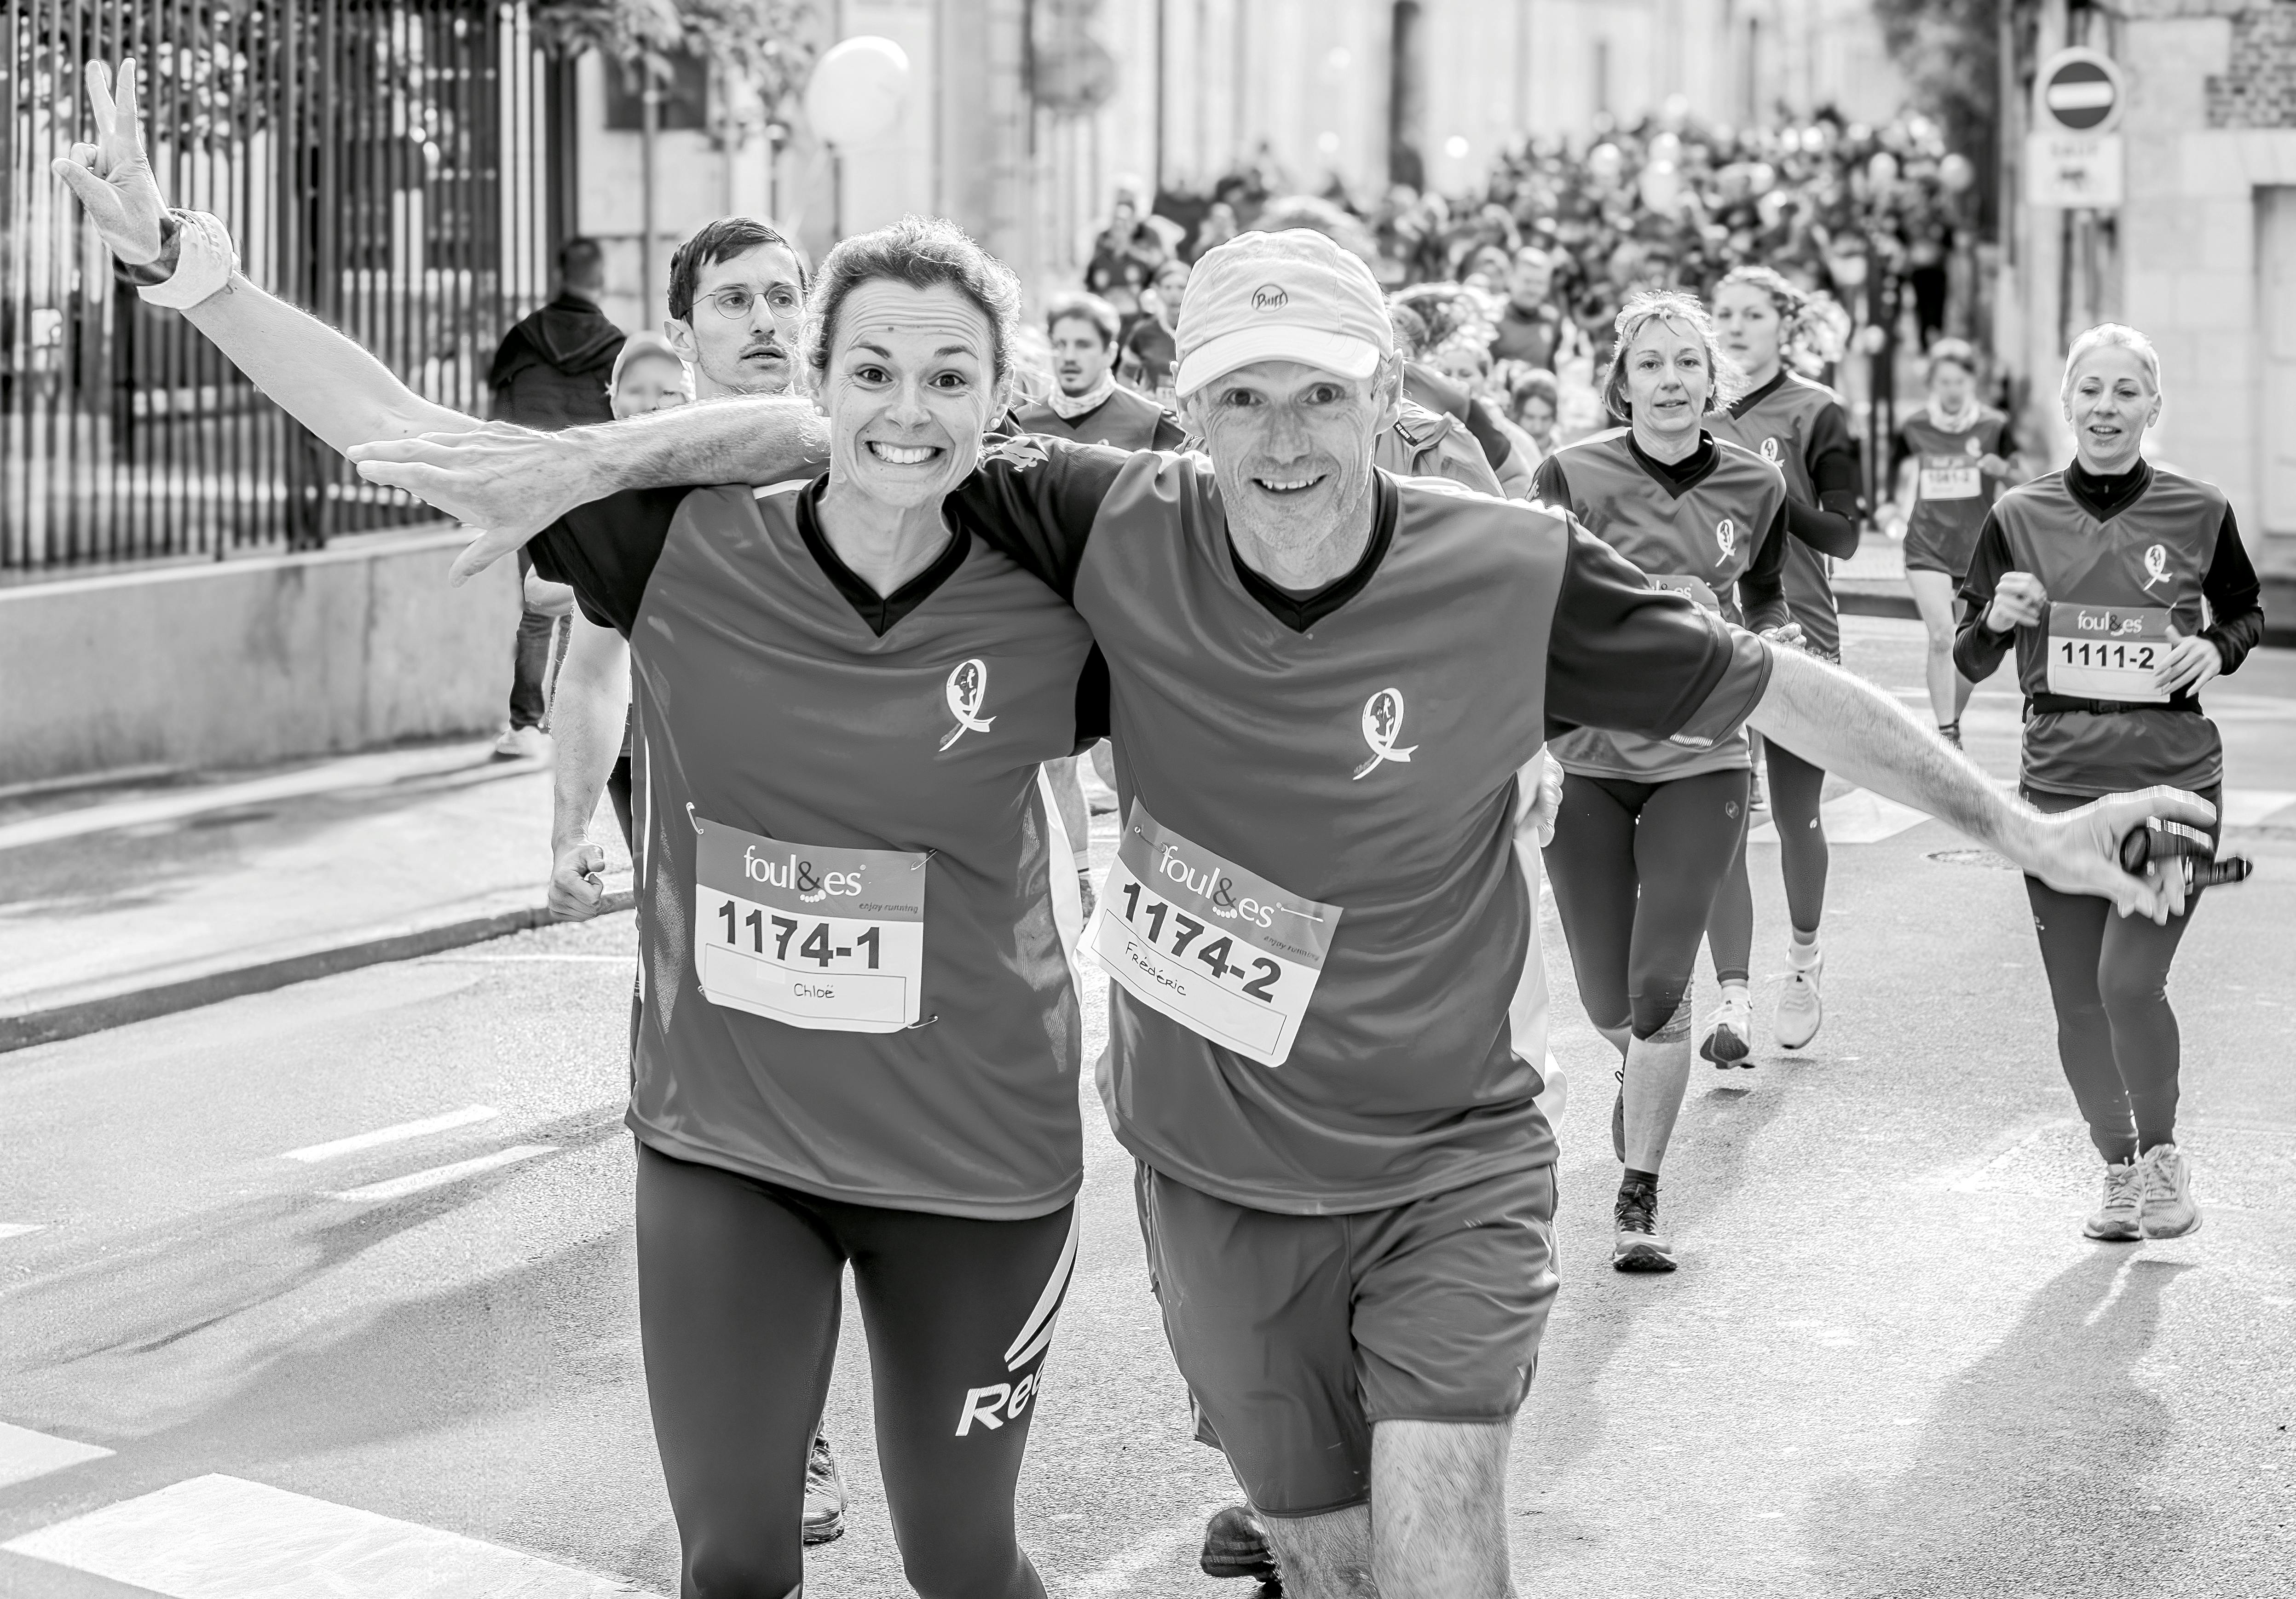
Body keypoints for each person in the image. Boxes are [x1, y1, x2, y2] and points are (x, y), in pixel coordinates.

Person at [363, 224, 2206, 1599]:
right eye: (1238, 397)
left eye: (1318, 394)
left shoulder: (1501, 568)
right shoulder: (1105, 518)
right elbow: (839, 417)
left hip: (1440, 1158)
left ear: (1382, 405)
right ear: (1184, 414)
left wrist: (2016, 835)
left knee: (1436, 1548)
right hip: (1211, 1168)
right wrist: (579, 462)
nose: (1280, 437)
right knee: (1320, 1558)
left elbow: (1778, 691)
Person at [49, 65, 882, 1570]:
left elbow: (818, 435)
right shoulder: (637, 522)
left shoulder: (896, 480)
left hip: (929, 1014)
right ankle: (786, 1429)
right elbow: (388, 424)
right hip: (728, 1012)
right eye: (737, 301)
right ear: (675, 343)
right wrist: (197, 275)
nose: (767, 318)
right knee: (752, 1425)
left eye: (788, 295)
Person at [1955, 324, 2263, 1242]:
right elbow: (1970, 651)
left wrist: (2211, 645)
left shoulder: (2198, 509)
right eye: (2090, 389)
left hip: (2173, 782)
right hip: (2058, 792)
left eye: (2125, 391)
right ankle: (2119, 1172)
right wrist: (1995, 620)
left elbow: (2246, 614)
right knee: (2076, 1000)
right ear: (2066, 400)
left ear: (2151, 408)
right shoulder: (2015, 515)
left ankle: (2163, 1158)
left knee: (2128, 984)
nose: (2105, 407)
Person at [1529, 290, 1794, 1272]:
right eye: (1652, 364)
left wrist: (1771, 635)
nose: (1672, 380)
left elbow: (1763, 591)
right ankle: (1639, 1068)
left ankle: (1636, 1195)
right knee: (1605, 997)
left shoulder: (1751, 484)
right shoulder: (1570, 473)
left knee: (1655, 987)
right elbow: (1528, 593)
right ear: (1621, 381)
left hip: (1703, 755)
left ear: (1709, 379)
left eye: (1688, 361)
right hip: (1589, 761)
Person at [1699, 265, 1866, 1064]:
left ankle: (1802, 960)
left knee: (1797, 814)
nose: (1734, 327)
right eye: (1723, 313)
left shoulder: (1818, 410)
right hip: (1704, 641)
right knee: (1720, 823)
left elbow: (1843, 536)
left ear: (1783, 325)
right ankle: (1733, 995)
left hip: (1799, 632)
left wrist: (1765, 487)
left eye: (1752, 314)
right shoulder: (1686, 410)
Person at [488, 236, 625, 759]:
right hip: (587, 487)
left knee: (535, 607)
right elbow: (622, 420)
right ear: (601, 279)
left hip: (530, 482)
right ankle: (572, 722)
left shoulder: (522, 338)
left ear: (558, 274)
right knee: (581, 607)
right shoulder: (613, 344)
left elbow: (499, 415)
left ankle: (524, 726)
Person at [1886, 338, 2017, 745]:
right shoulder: (1914, 427)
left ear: (1971, 382)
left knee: (1966, 646)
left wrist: (2004, 470)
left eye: (1959, 381)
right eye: (1944, 382)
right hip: (1927, 545)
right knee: (1942, 635)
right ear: (1933, 384)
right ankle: (1946, 731)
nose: (1952, 390)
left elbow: (2023, 482)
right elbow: (1894, 483)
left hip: (1977, 549)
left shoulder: (1995, 427)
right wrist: (1889, 510)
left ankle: (1950, 722)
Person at [1010, 292, 1185, 450]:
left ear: (1109, 353)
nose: (1069, 356)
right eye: (1060, 345)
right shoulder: (1019, 425)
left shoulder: (1153, 422)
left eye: (1083, 345)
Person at [1486, 246, 1578, 371]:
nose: (1533, 290)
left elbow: (1552, 367)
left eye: (1540, 283)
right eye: (1527, 281)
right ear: (1510, 279)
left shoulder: (1552, 319)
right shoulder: (1491, 315)